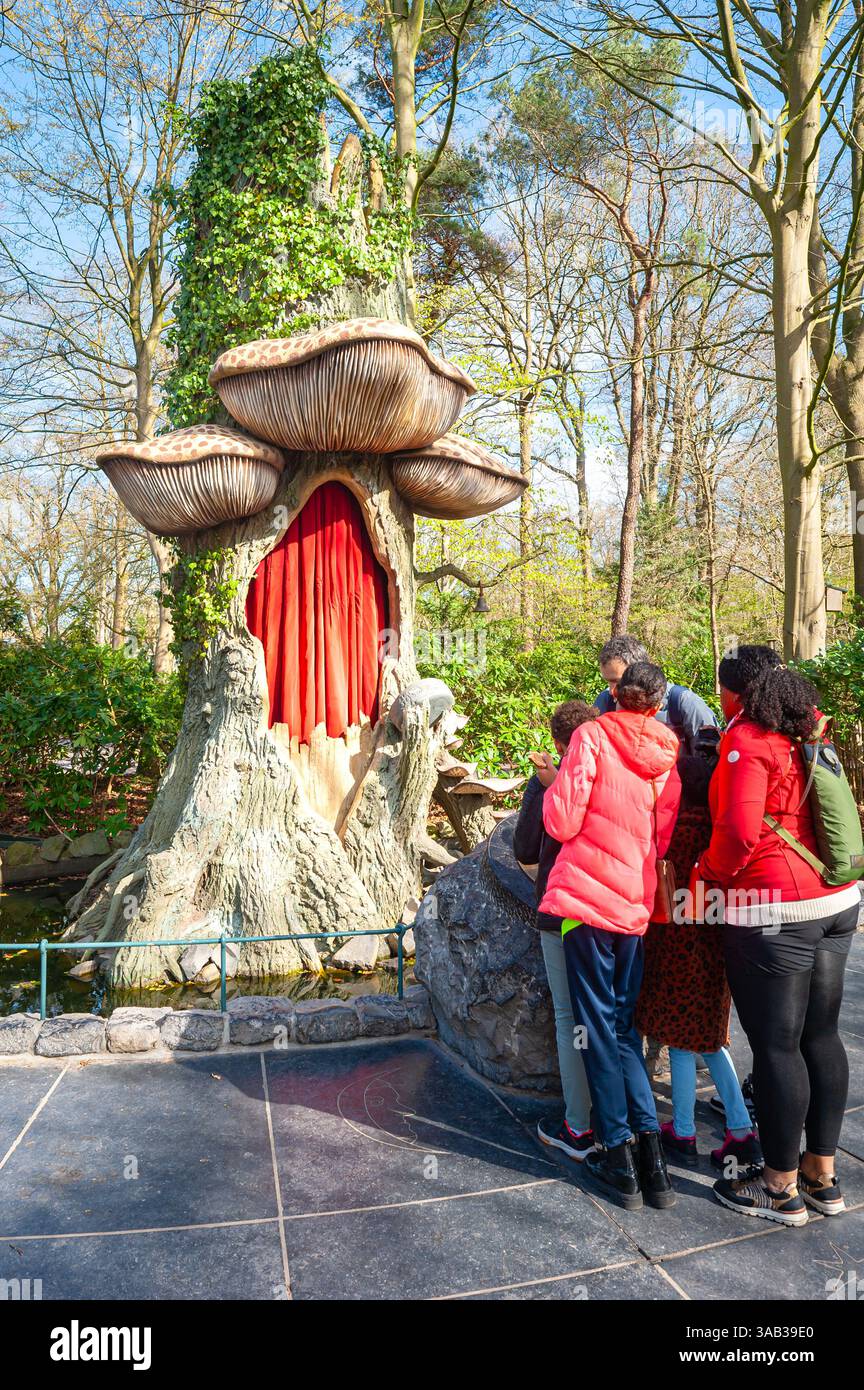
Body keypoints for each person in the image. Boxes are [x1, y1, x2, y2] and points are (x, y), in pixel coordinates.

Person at [692, 645, 859, 1226]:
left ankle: (778, 1188)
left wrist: (704, 874)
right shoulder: (809, 736)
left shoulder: (748, 743)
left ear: (739, 694)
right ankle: (822, 1176)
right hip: (836, 901)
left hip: (774, 910)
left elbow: (738, 834)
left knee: (776, 1046)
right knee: (821, 1036)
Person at [537, 661, 682, 1211]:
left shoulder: (591, 736)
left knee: (594, 1028)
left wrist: (552, 785)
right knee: (623, 1029)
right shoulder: (668, 751)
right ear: (657, 702)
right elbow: (661, 834)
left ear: (616, 694)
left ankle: (618, 1157)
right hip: (634, 908)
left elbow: (562, 822)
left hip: (585, 905)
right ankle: (655, 1163)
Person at [636, 725, 761, 1170]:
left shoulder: (673, 834)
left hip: (674, 950)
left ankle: (695, 1130)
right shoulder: (720, 831)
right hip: (715, 946)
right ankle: (730, 1128)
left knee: (681, 1039)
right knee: (705, 1038)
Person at [513, 700, 598, 1161]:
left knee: (570, 1018)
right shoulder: (618, 774)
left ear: (559, 743)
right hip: (615, 910)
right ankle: (618, 1120)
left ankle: (579, 1125)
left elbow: (524, 845)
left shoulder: (552, 783)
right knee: (608, 1016)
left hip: (563, 909)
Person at [594, 634, 718, 753]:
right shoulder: (605, 701)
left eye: (618, 682)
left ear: (641, 670)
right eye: (608, 682)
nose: (611, 691)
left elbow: (708, 764)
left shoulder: (685, 704)